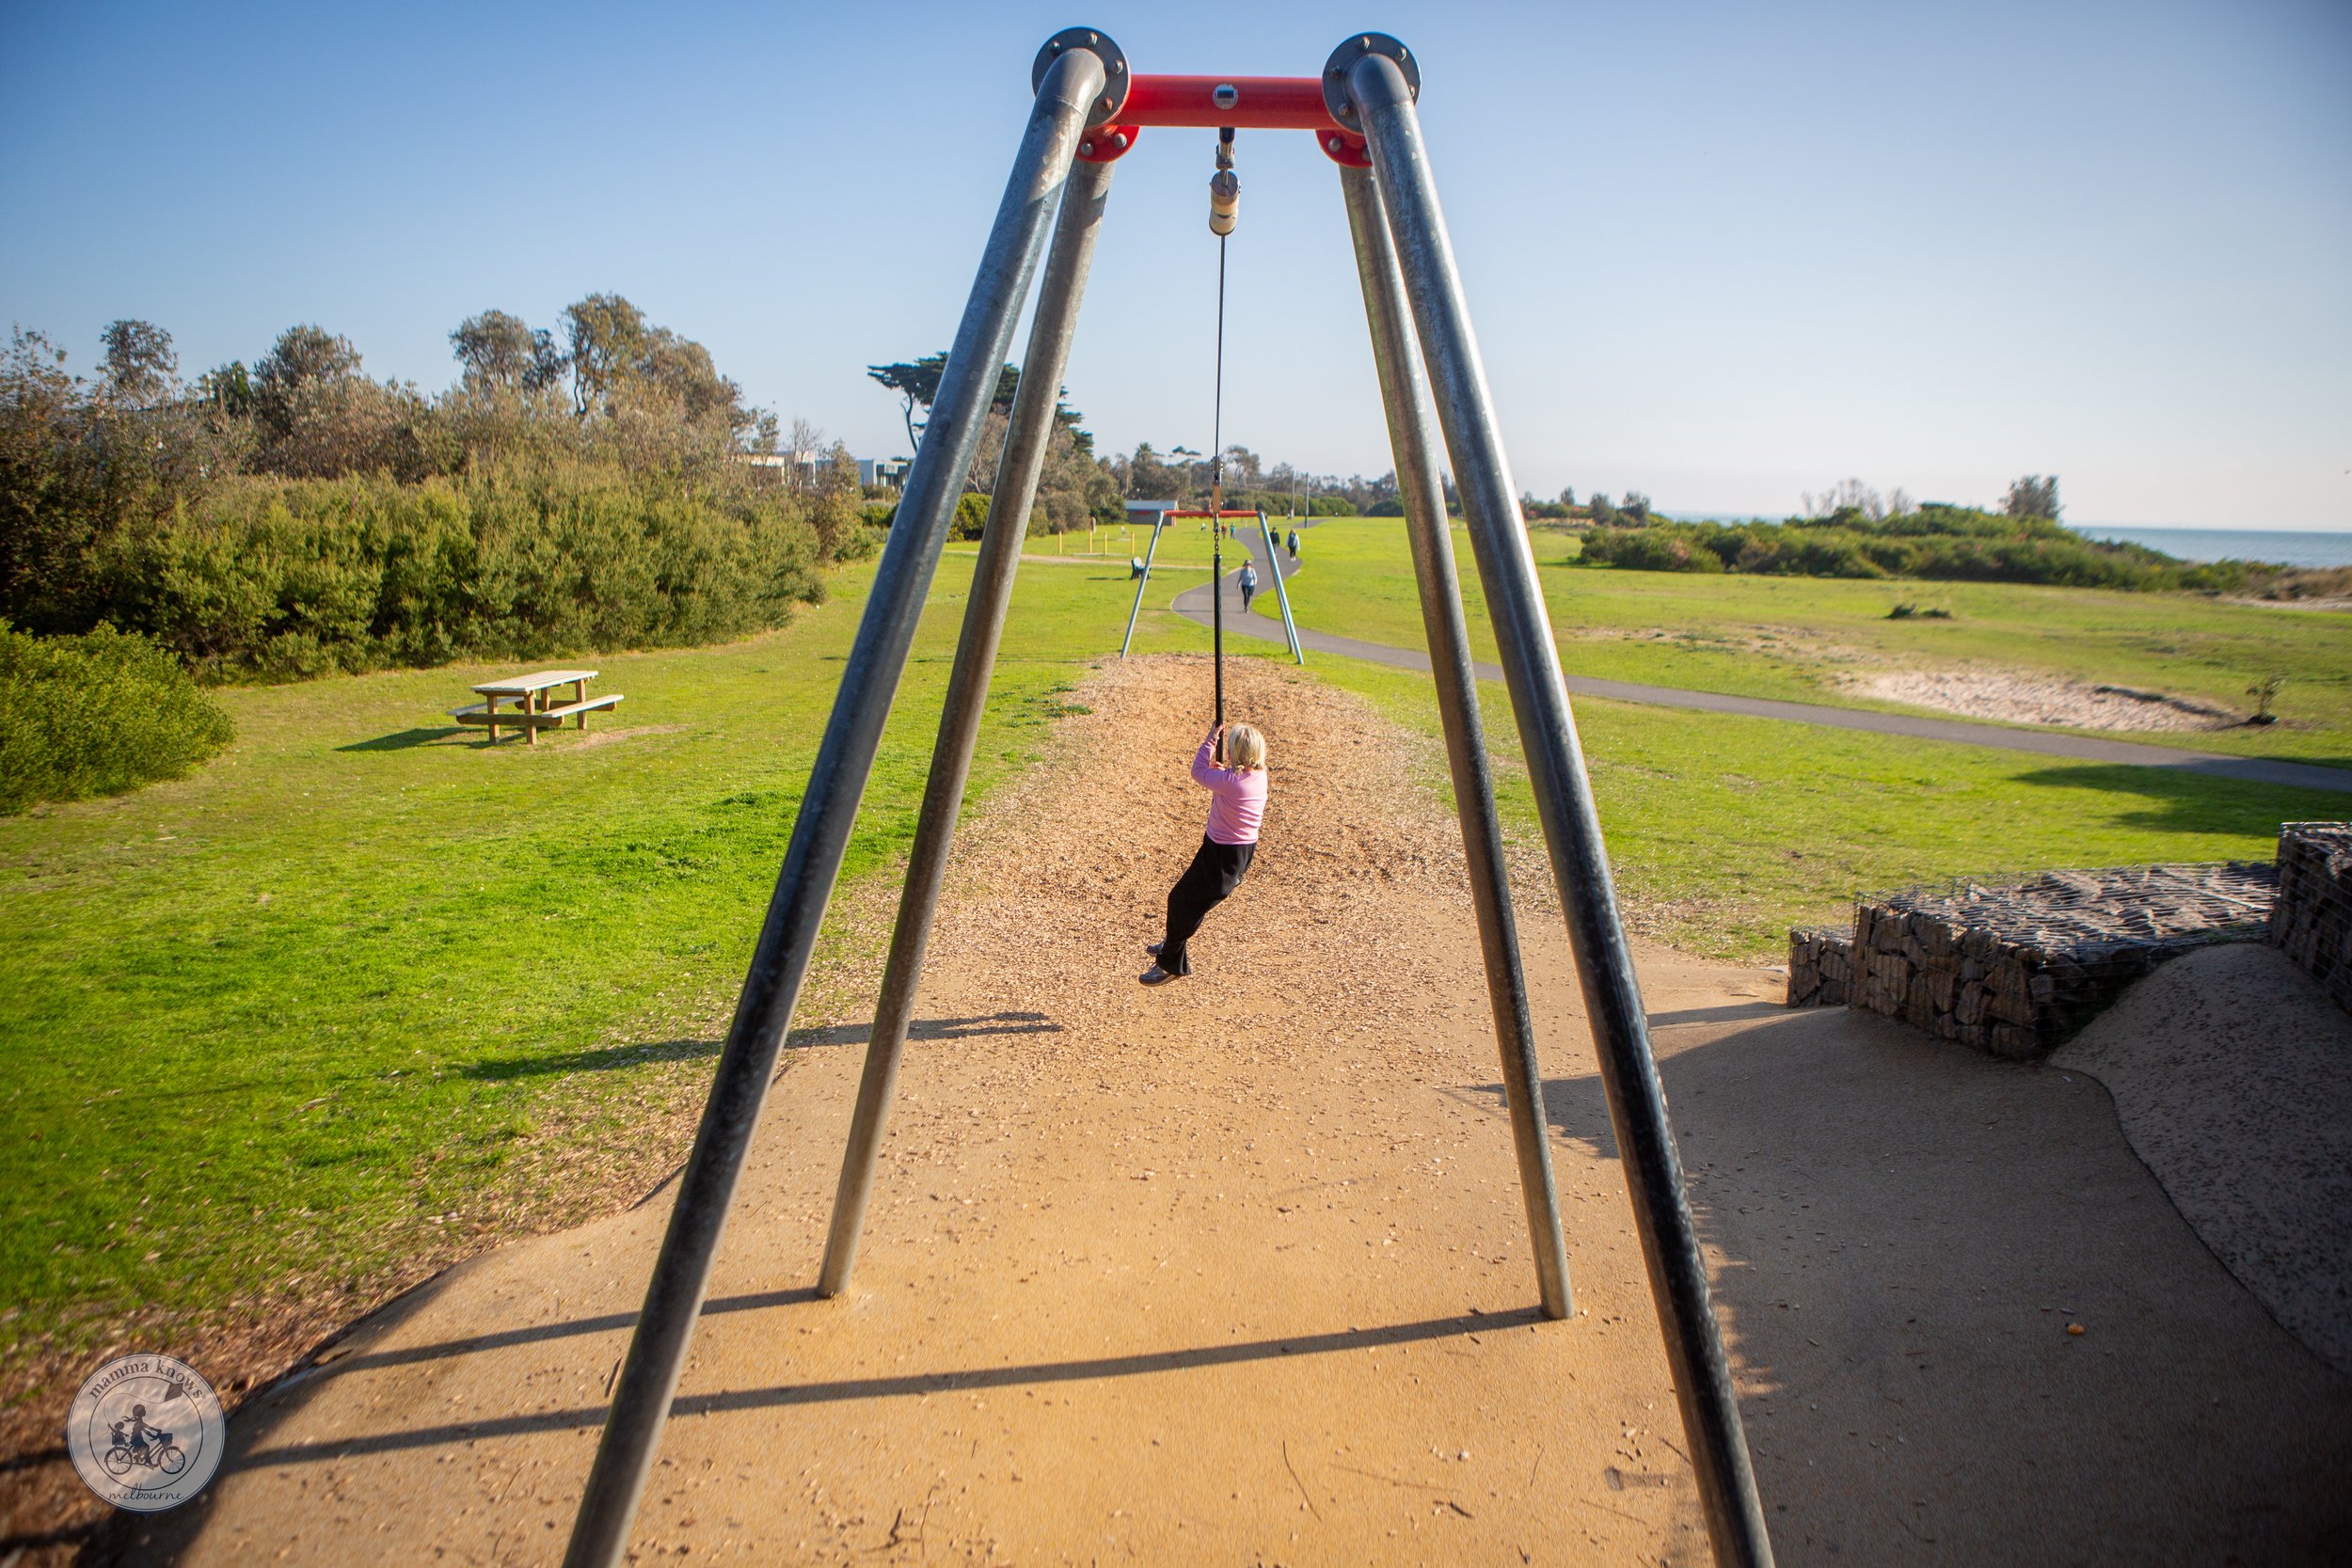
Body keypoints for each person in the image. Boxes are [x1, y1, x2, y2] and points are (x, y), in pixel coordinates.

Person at [1142, 721, 1268, 985]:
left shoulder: (1231, 781)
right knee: (1187, 902)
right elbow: (1228, 781)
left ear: (1235, 752)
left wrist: (1212, 739)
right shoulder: (1256, 775)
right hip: (1224, 850)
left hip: (1225, 857)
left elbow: (1198, 771)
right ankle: (1172, 941)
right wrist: (1223, 771)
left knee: (1182, 902)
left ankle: (1169, 964)